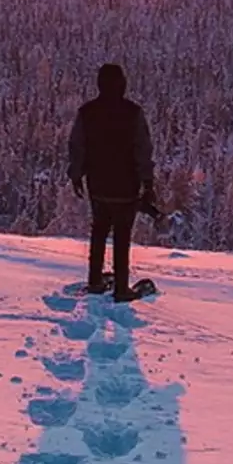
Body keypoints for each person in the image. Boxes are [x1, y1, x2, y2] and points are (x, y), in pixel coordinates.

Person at [67, 63, 155, 302]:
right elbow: (143, 150)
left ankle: (95, 281)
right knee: (122, 235)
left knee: (99, 230)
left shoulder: (87, 112)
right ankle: (122, 288)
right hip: (127, 187)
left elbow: (77, 146)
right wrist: (148, 183)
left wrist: (76, 175)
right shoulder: (133, 112)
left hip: (98, 186)